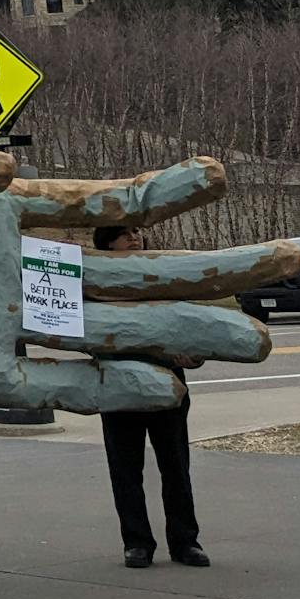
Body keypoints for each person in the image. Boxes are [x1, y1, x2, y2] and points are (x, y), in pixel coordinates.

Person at [95, 224, 206, 568]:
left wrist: (194, 355)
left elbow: (188, 325)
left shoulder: (163, 278)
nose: (135, 237)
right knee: (126, 469)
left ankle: (186, 542)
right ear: (107, 243)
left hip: (167, 384)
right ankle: (137, 542)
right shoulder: (96, 287)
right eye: (124, 233)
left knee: (175, 466)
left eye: (138, 231)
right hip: (119, 388)